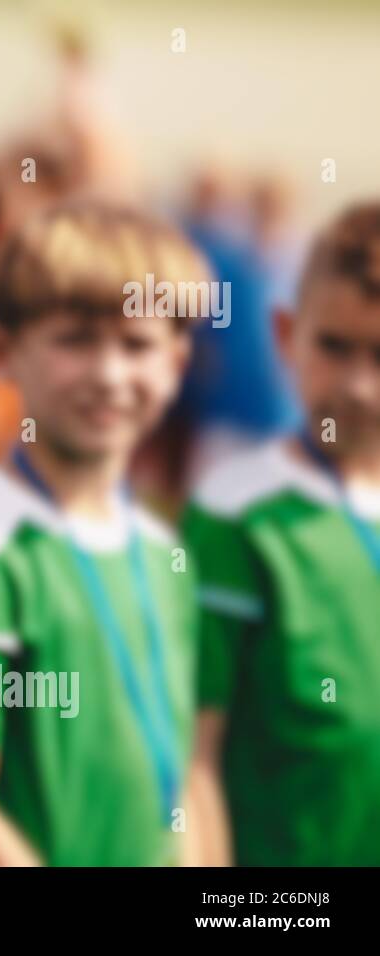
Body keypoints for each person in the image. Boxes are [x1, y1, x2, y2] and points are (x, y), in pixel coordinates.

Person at [0, 201, 207, 866]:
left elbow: (183, 764)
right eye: (75, 340)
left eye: (137, 345)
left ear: (177, 361)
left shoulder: (163, 551)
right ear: (3, 352)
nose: (109, 374)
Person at [185, 202, 380, 866]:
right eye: (334, 346)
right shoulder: (237, 512)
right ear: (285, 333)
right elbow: (194, 758)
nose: (359, 385)